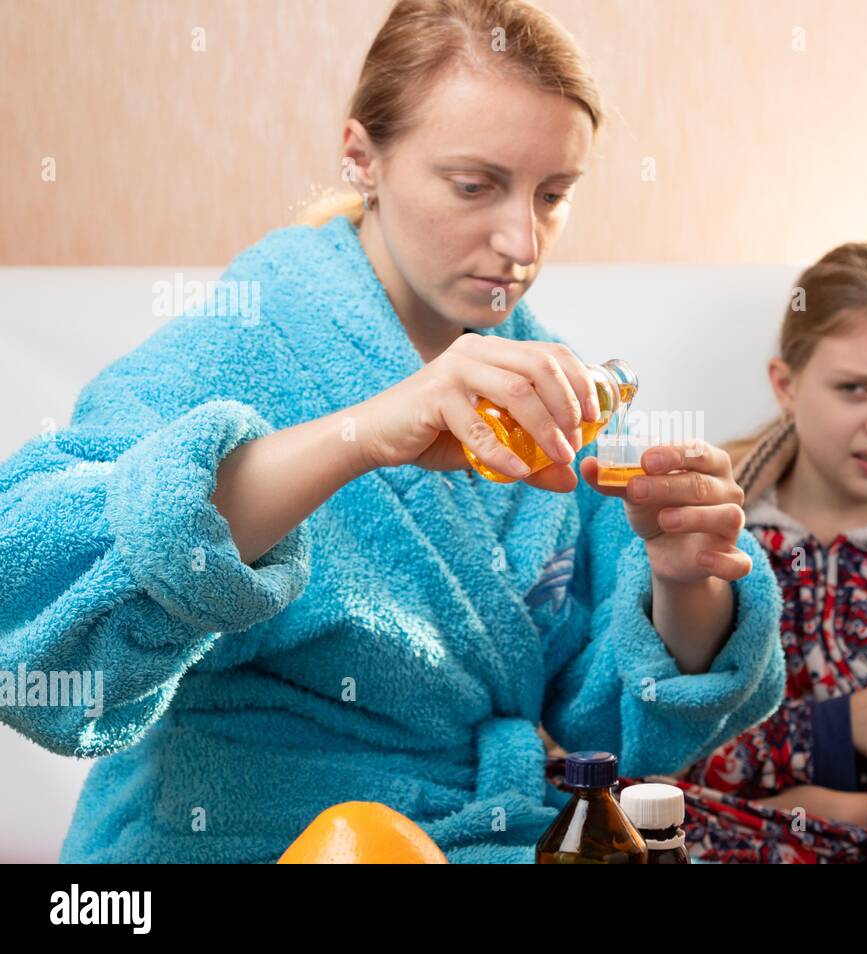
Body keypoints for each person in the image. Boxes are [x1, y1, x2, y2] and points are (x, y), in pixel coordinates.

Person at [0, 0, 785, 864]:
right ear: (362, 158)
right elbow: (27, 596)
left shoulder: (547, 388)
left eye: (554, 195)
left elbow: (615, 735)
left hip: (488, 835)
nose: (522, 241)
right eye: (475, 185)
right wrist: (364, 435)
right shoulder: (247, 334)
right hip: (240, 839)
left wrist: (683, 582)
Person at [583, 242, 867, 863]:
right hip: (703, 834)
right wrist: (840, 728)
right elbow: (654, 732)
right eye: (855, 388)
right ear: (787, 386)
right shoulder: (717, 544)